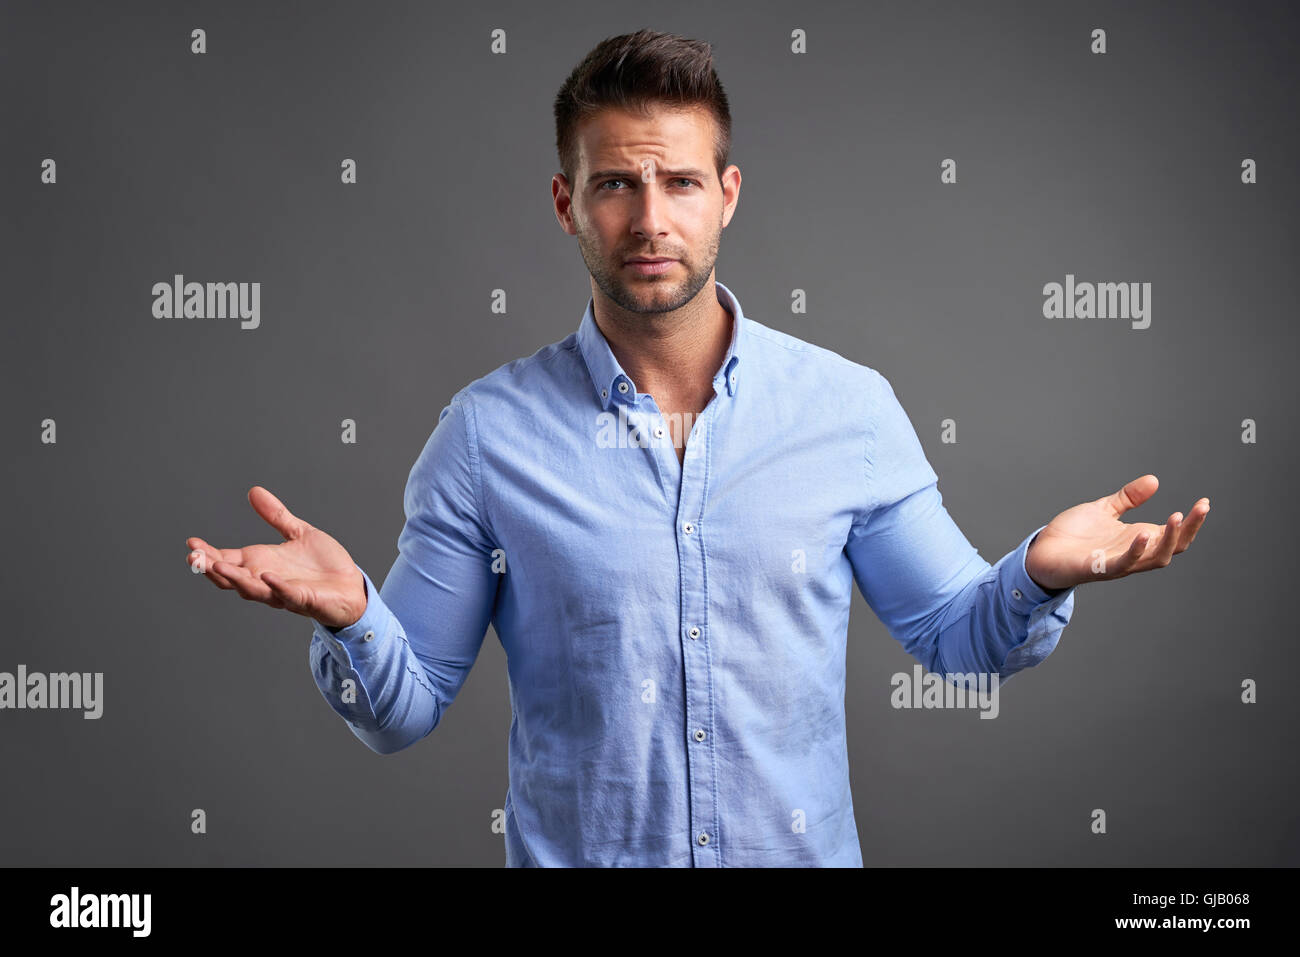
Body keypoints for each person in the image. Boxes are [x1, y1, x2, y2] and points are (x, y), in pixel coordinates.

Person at [184, 29, 1209, 866]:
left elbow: (956, 638)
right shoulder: (485, 437)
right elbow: (400, 712)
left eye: (677, 182)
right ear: (566, 204)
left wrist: (1034, 573)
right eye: (615, 184)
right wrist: (355, 613)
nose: (648, 218)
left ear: (724, 195)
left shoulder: (845, 412)